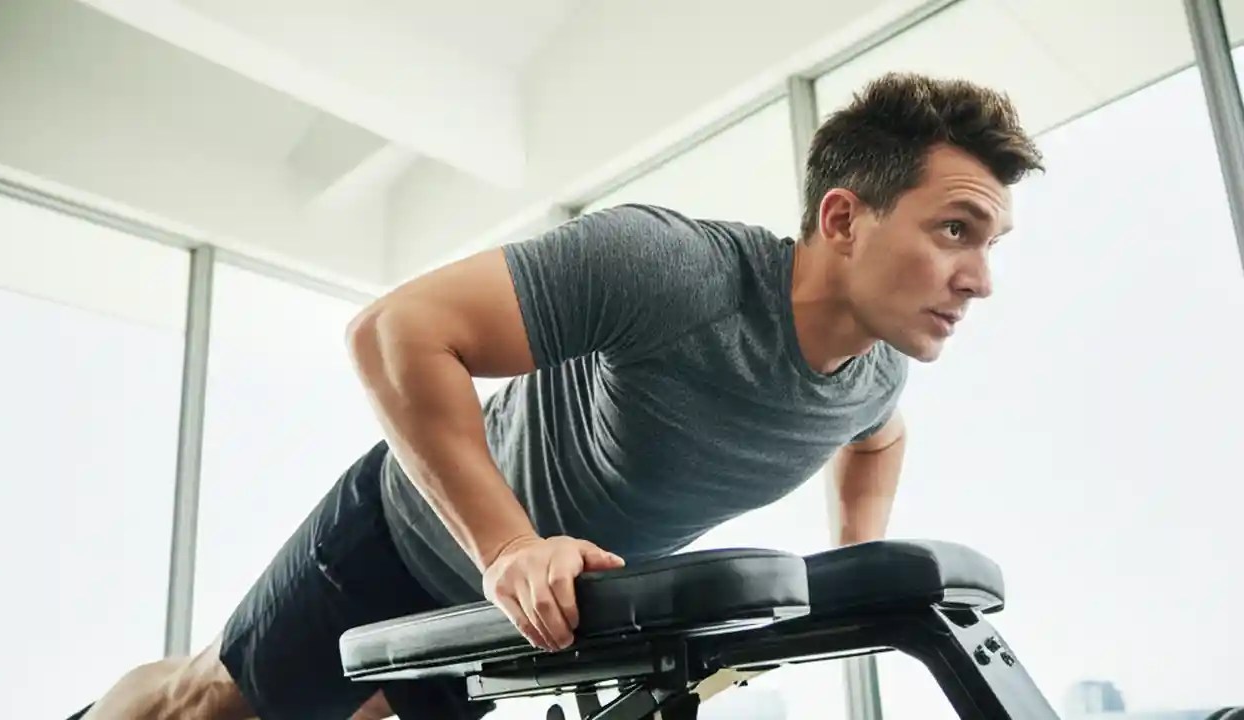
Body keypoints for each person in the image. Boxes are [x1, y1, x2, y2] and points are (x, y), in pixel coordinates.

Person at [77, 71, 1043, 720]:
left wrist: (852, 559)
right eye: (955, 230)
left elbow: (876, 439)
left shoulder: (880, 367)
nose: (980, 280)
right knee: (205, 709)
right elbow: (396, 330)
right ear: (844, 219)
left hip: (519, 618)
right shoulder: (674, 270)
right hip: (405, 537)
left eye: (990, 246)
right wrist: (505, 545)